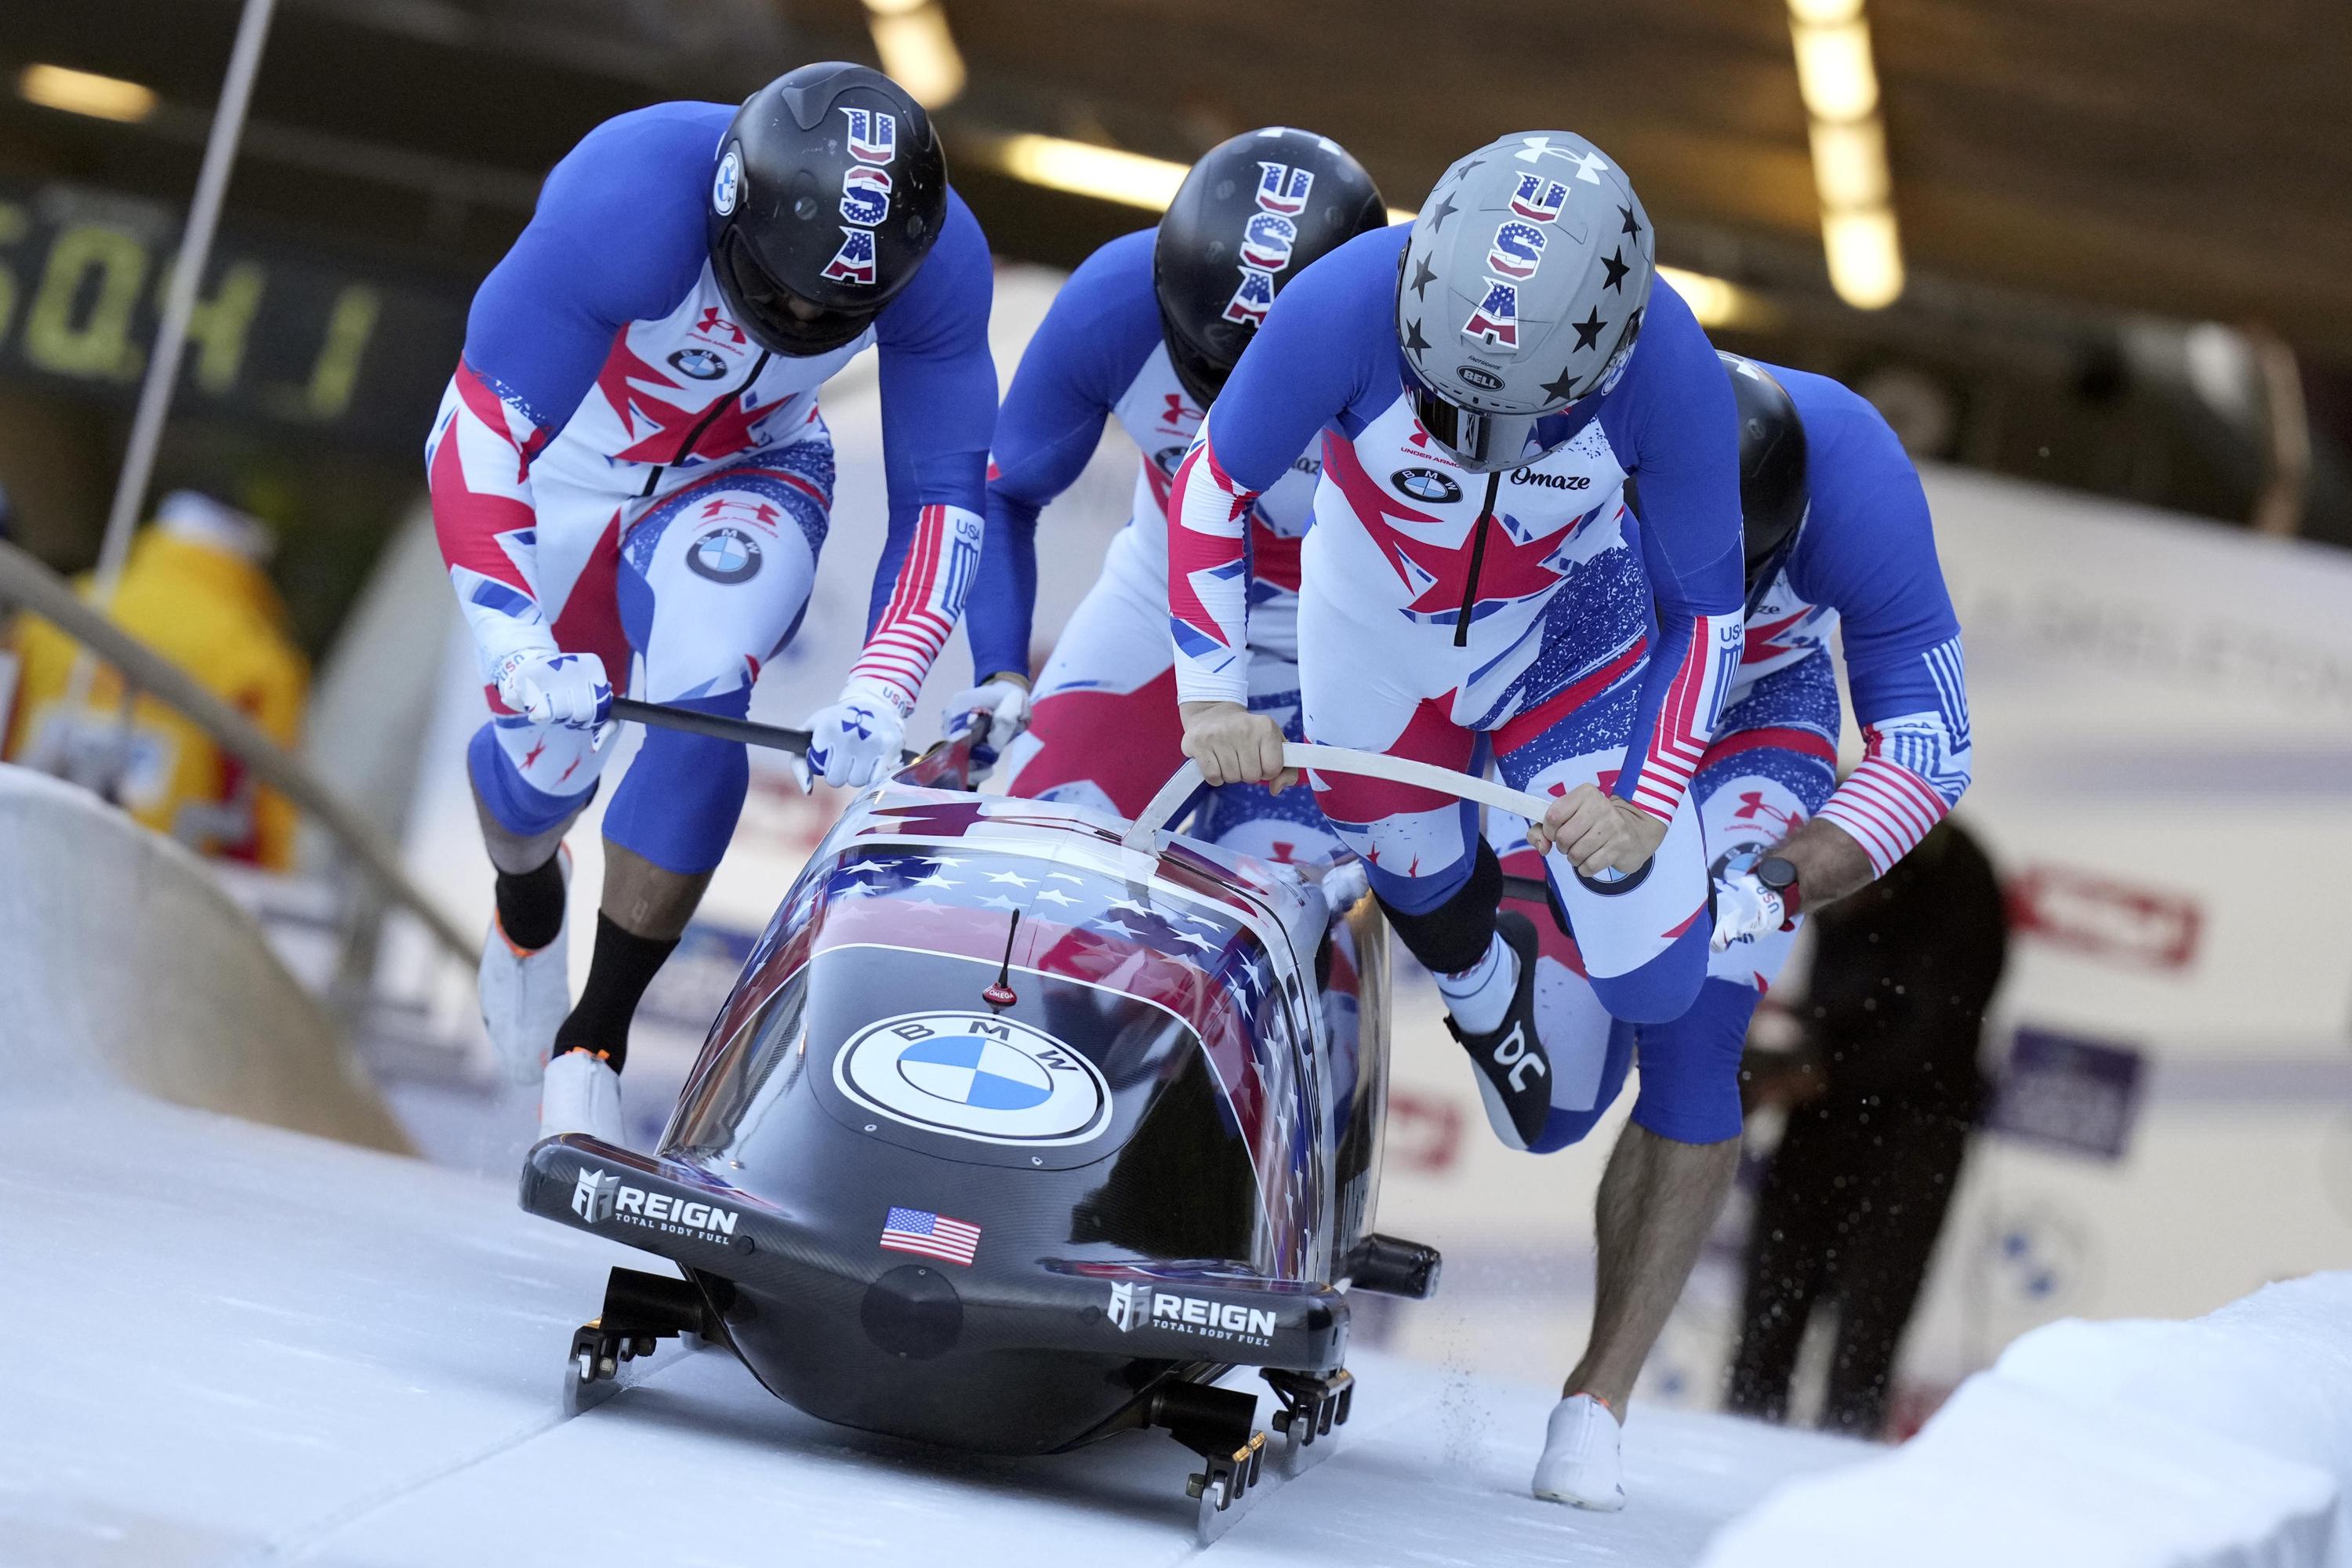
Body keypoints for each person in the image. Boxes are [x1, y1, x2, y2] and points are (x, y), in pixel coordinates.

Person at [426, 64, 996, 1144]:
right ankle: (526, 898)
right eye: (777, 285)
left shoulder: (940, 264)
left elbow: (943, 503)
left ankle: (593, 1040)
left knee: (707, 683)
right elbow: (482, 430)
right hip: (562, 471)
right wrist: (510, 635)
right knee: (543, 771)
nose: (795, 317)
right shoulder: (629, 194)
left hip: (749, 472)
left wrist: (883, 686)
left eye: (835, 311)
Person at [1488, 354, 1976, 1508]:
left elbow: (1933, 745)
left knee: (1701, 1025)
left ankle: (1595, 1402)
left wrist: (1773, 888)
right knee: (1548, 1105)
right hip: (1594, 677)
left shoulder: (1861, 486)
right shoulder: (1565, 411)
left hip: (1763, 708)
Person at [973, 127, 1387, 865]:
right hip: (1157, 607)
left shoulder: (1425, 354)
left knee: (1289, 917)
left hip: (1350, 645)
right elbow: (1007, 493)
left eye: (1268, 378)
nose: (1239, 410)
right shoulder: (1111, 304)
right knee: (1034, 869)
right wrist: (998, 671)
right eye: (1208, 368)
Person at [1724, 817, 2006, 1436]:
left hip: (1916, 1131)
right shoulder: (1839, 839)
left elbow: (1941, 1034)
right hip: (1821, 1117)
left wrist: (1819, 1069)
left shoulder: (1959, 878)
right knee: (1767, 1318)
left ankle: (1841, 1500)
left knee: (1867, 1338)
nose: (1827, 905)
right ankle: (1730, 1457)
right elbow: (1836, 1000)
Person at [6, 491, 309, 868]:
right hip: (157, 888)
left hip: (21, 848)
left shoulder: (51, 615)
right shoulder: (258, 659)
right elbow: (258, 818)